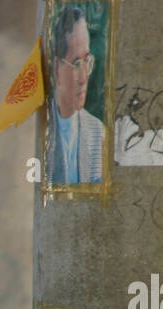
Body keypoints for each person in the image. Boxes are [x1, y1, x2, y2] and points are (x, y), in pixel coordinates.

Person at [47, 4, 104, 184]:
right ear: (57, 68)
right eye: (76, 63)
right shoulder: (41, 128)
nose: (84, 77)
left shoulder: (97, 133)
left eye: (87, 61)